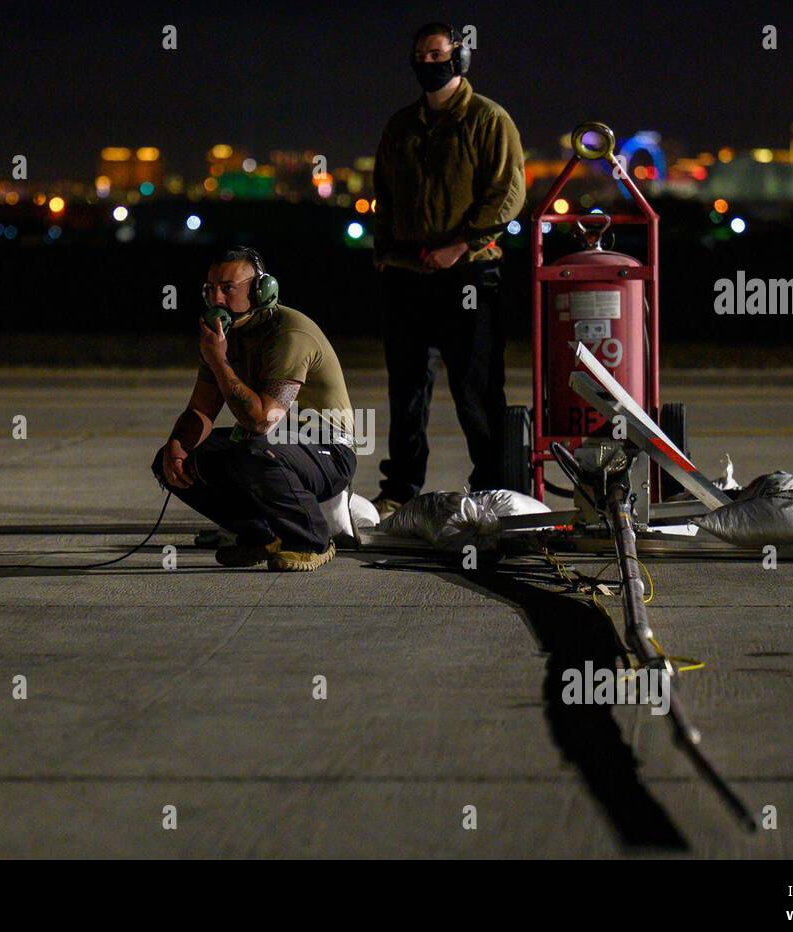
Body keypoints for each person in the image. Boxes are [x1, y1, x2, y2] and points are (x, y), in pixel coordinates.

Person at [370, 21, 527, 520]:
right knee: (407, 389)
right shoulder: (401, 126)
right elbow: (385, 195)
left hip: (469, 276)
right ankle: (400, 487)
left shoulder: (487, 119)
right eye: (419, 55)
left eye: (436, 54)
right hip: (408, 276)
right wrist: (387, 251)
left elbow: (508, 194)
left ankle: (492, 489)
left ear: (458, 57)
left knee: (476, 388)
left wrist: (461, 245)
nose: (427, 63)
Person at [152, 246, 357, 572]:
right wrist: (178, 445)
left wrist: (219, 361)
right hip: (270, 445)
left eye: (227, 288)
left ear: (262, 289)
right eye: (210, 289)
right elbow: (202, 410)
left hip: (328, 449)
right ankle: (259, 534)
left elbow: (263, 420)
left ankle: (312, 539)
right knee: (176, 460)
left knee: (257, 448)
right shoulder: (224, 337)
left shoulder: (290, 333)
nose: (215, 299)